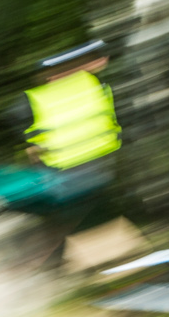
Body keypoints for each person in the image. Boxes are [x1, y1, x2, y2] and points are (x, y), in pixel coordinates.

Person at [17, 38, 124, 230]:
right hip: (90, 171)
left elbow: (32, 148)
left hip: (70, 175)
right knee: (96, 232)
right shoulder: (94, 86)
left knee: (92, 230)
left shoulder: (34, 99)